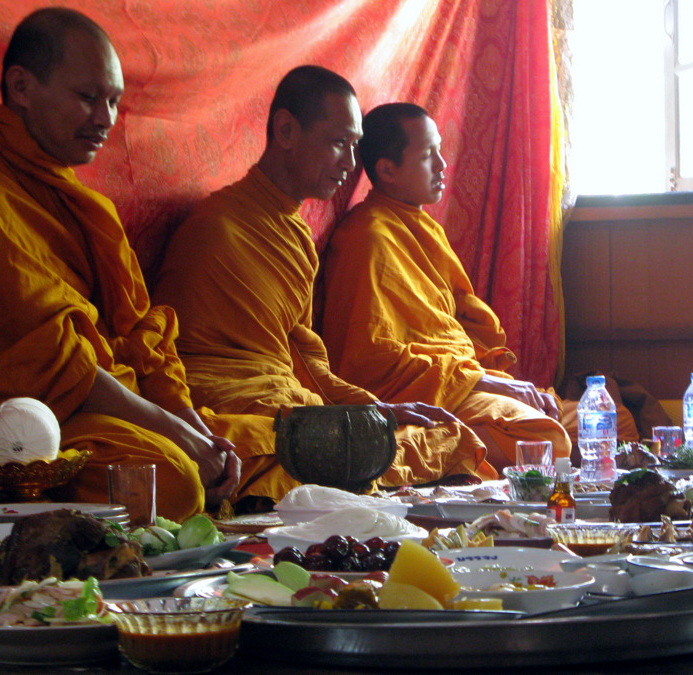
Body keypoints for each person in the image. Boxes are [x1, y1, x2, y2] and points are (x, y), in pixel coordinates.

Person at [0, 7, 298, 518]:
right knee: (167, 480)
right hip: (15, 425)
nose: (106, 119)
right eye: (88, 98)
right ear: (21, 87)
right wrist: (173, 431)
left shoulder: (86, 206)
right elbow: (53, 359)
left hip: (98, 408)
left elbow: (141, 336)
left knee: (242, 447)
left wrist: (188, 423)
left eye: (113, 101)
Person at [152, 67, 497, 486]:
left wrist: (376, 409)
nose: (350, 164)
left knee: (444, 436)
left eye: (355, 147)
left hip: (292, 400)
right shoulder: (217, 226)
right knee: (299, 450)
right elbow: (181, 364)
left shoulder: (296, 236)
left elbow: (306, 359)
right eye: (338, 144)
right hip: (230, 402)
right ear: (286, 130)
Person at [319, 103, 572, 469]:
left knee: (612, 424)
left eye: (439, 150)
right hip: (429, 396)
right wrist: (489, 384)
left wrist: (488, 380)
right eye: (427, 155)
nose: (442, 165)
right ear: (387, 170)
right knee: (545, 440)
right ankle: (405, 453)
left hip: (463, 382)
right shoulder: (368, 238)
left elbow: (453, 327)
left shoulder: (422, 228)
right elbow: (371, 364)